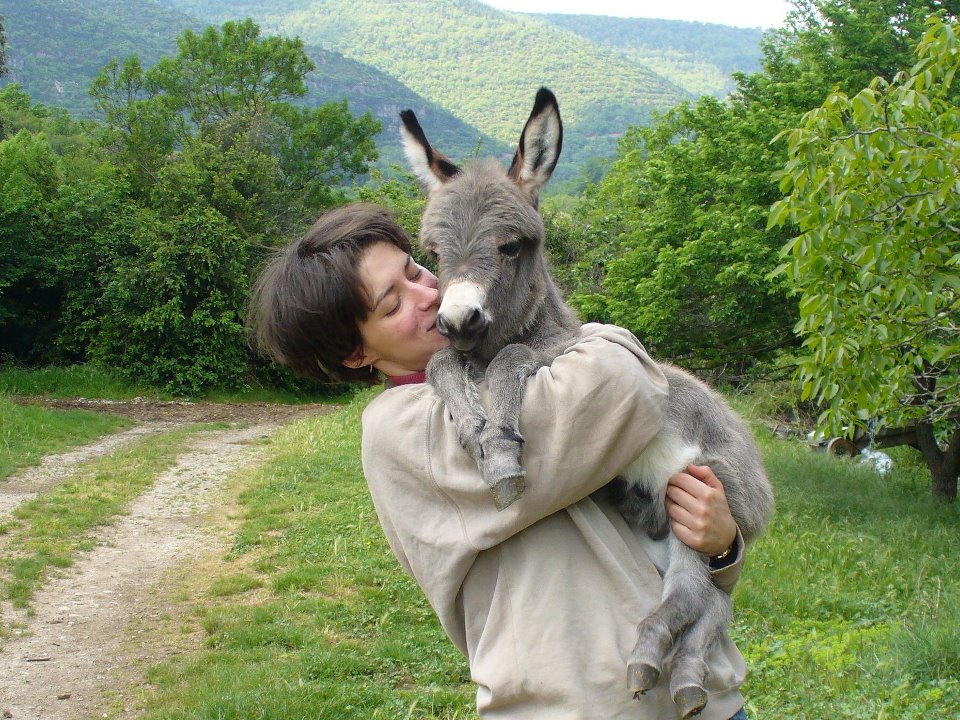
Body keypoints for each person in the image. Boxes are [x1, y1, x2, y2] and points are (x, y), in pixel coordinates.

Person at [248, 203, 750, 720]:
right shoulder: (404, 431)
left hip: (708, 700)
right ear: (356, 354)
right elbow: (626, 382)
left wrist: (719, 548)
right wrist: (570, 322)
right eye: (393, 304)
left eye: (416, 270)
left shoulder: (504, 376)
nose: (429, 294)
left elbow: (645, 542)